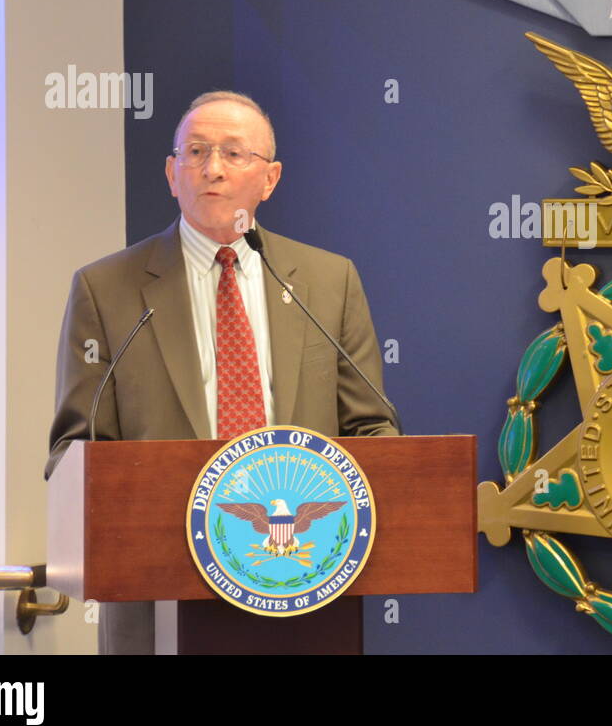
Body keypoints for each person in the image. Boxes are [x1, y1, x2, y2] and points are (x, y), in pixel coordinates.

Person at [47, 90, 398, 653]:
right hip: (157, 596)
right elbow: (74, 450)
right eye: (196, 151)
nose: (212, 168)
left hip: (305, 584)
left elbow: (372, 432)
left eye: (234, 153)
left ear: (270, 177)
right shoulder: (107, 289)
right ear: (171, 172)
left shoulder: (329, 282)